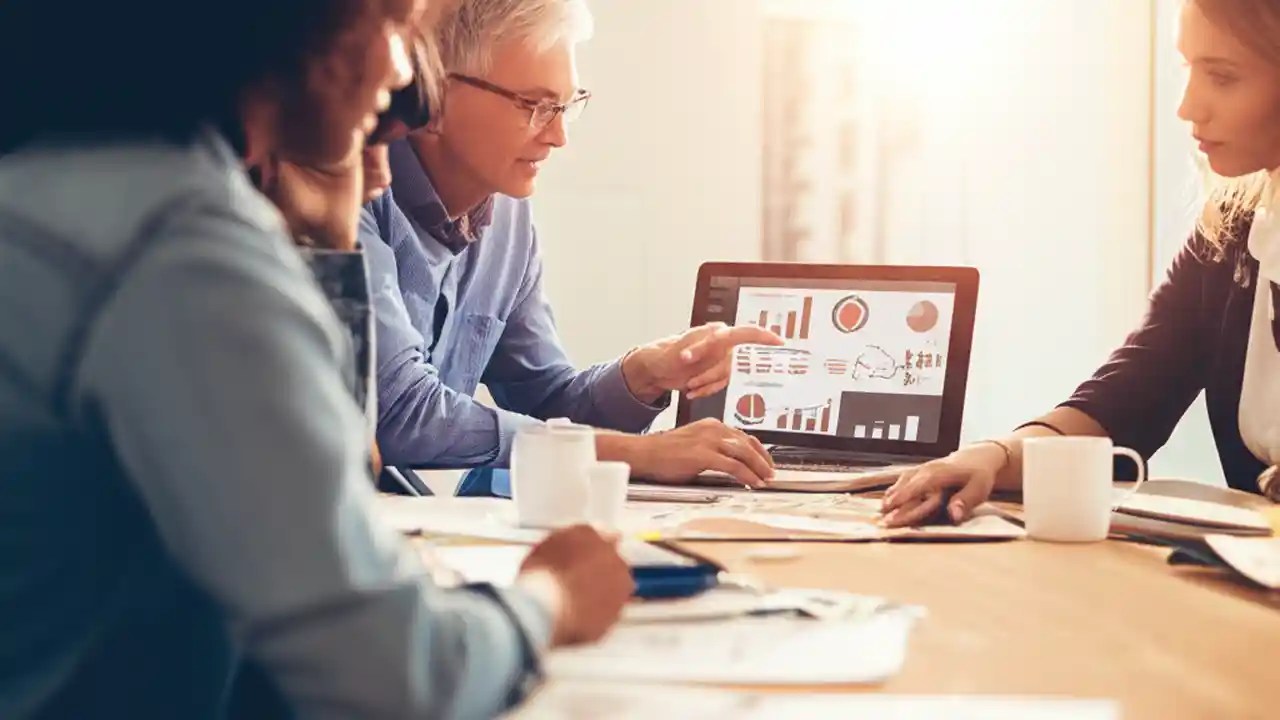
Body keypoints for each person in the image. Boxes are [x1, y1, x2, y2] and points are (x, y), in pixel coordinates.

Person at [0, 1, 632, 718]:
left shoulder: (73, 187)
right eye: (393, 25)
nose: (402, 71)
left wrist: (332, 247)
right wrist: (552, 598)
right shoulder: (182, 253)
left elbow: (340, 486)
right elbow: (392, 678)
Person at [881, 0, 1280, 528]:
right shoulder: (1231, 232)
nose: (1187, 107)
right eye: (1188, 68)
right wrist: (989, 456)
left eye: (1222, 77)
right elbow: (1120, 404)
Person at [360, 0, 783, 490]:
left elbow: (546, 401)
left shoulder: (510, 218)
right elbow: (400, 411)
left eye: (565, 106)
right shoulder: (349, 194)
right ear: (433, 92)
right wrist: (639, 454)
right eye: (535, 106)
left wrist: (643, 374)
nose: (559, 136)